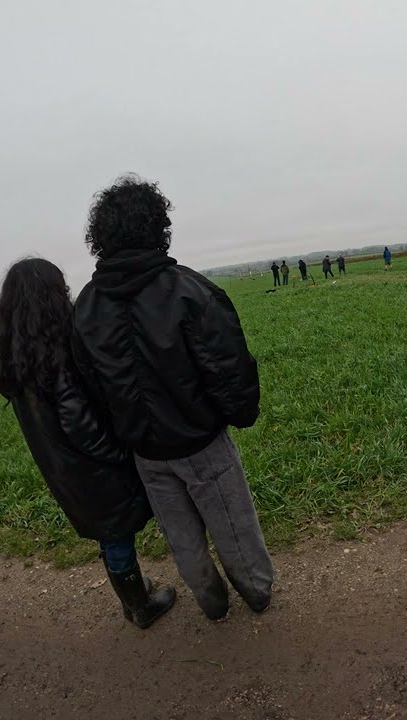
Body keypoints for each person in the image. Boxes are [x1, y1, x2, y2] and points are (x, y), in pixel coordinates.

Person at [73, 174, 274, 621]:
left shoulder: (86, 306)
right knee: (234, 529)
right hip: (202, 442)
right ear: (157, 225)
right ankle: (257, 593)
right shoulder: (188, 288)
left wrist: (125, 434)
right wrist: (240, 414)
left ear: (100, 236)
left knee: (182, 538)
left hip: (145, 453)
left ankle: (212, 603)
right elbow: (227, 365)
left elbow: (91, 387)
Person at [0, 257, 176, 629]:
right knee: (116, 537)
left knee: (109, 538)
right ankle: (140, 606)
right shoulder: (54, 358)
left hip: (66, 473)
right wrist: (121, 454)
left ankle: (131, 594)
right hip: (94, 471)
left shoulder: (17, 360)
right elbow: (82, 427)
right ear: (49, 298)